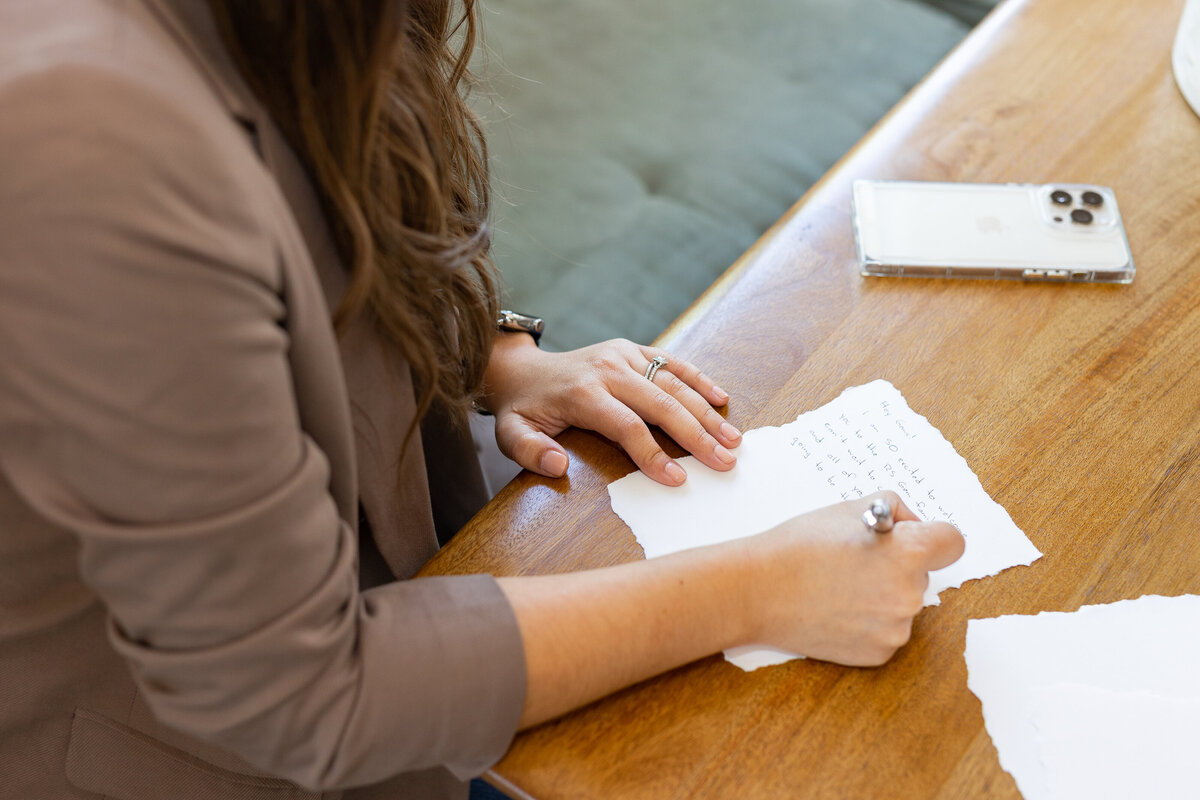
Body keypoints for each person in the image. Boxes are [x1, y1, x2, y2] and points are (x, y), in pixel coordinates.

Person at [0, 1, 965, 798]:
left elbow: (287, 258)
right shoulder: (80, 135)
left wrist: (492, 355)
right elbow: (299, 691)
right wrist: (762, 585)